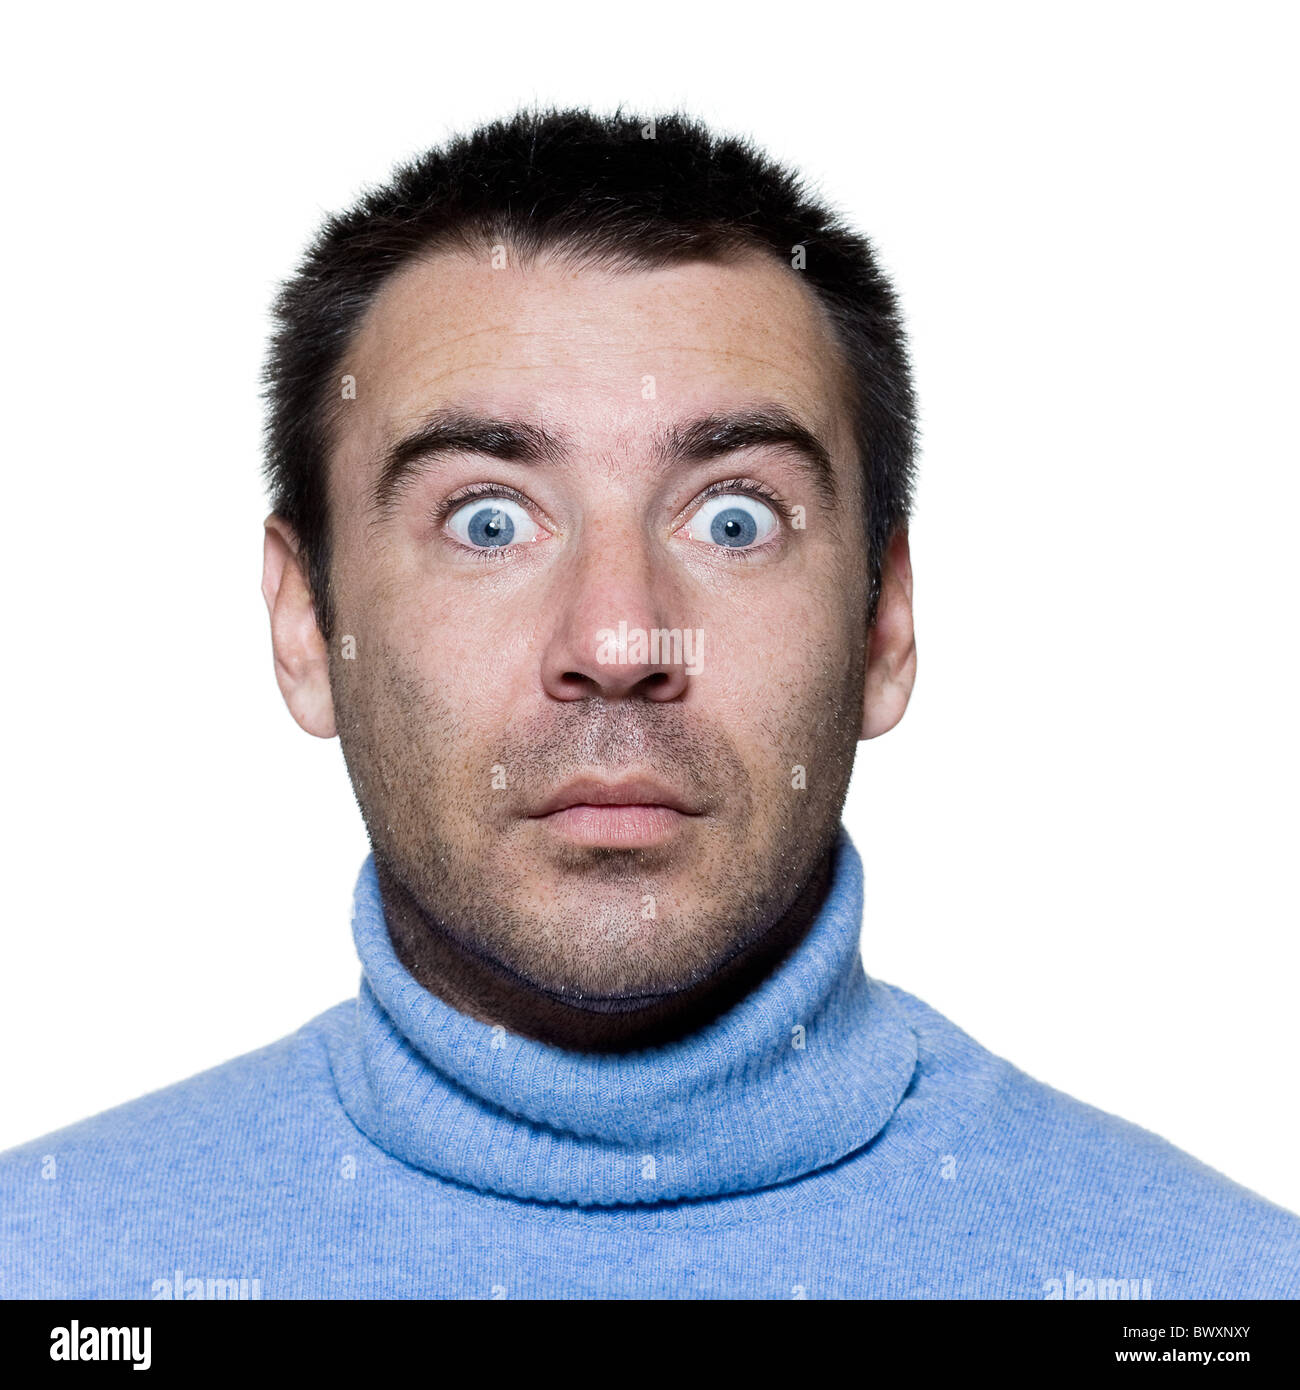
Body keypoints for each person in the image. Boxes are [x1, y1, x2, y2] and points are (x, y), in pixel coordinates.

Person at [2, 108, 1296, 1300]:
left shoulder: (1220, 1294)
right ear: (303, 625)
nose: (619, 639)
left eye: (735, 517)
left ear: (886, 623)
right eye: (488, 518)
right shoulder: (48, 1271)